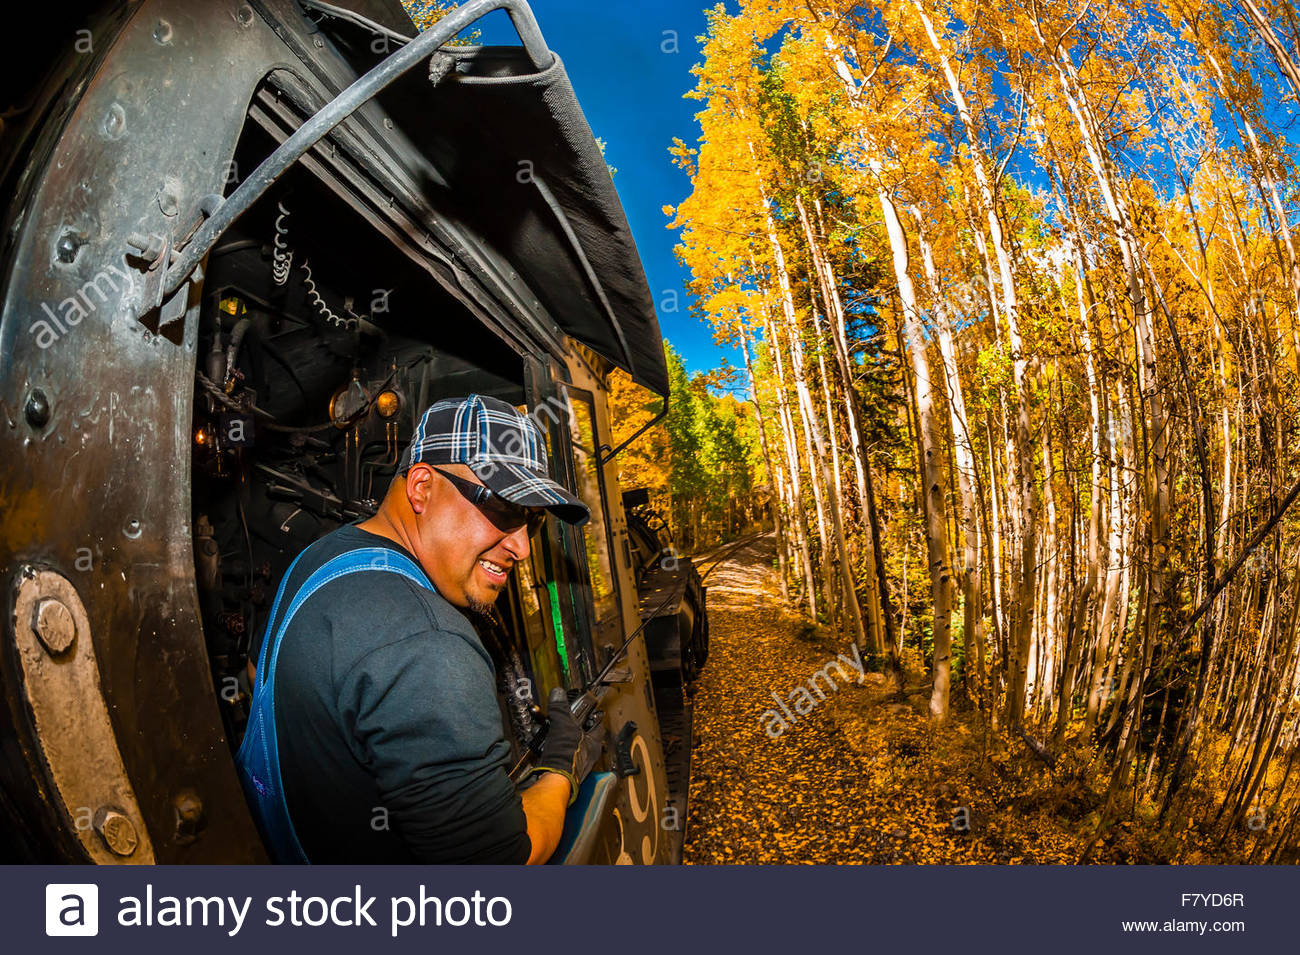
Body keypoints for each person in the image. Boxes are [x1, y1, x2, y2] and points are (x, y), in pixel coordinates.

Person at [236, 394, 599, 864]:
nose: (522, 548)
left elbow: (252, 671)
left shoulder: (321, 559)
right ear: (422, 487)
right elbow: (502, 864)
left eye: (530, 521)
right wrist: (559, 768)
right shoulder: (431, 643)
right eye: (505, 509)